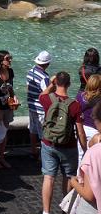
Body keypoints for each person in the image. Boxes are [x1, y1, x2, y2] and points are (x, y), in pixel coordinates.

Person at [39, 72, 88, 214]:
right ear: (69, 84)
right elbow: (80, 132)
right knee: (68, 177)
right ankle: (65, 210)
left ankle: (46, 211)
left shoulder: (47, 100)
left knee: (48, 177)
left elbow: (42, 94)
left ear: (56, 83)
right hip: (68, 146)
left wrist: (51, 83)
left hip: (48, 143)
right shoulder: (75, 105)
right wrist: (85, 149)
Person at [26, 51, 52, 158]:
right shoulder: (44, 77)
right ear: (47, 64)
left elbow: (28, 88)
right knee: (43, 133)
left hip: (31, 106)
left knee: (32, 129)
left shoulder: (30, 72)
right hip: (40, 109)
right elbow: (46, 94)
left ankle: (33, 150)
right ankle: (43, 155)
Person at [76, 74, 101, 162]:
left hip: (81, 128)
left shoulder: (80, 96)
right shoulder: (99, 99)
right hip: (94, 130)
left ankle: (80, 174)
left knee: (81, 155)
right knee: (94, 157)